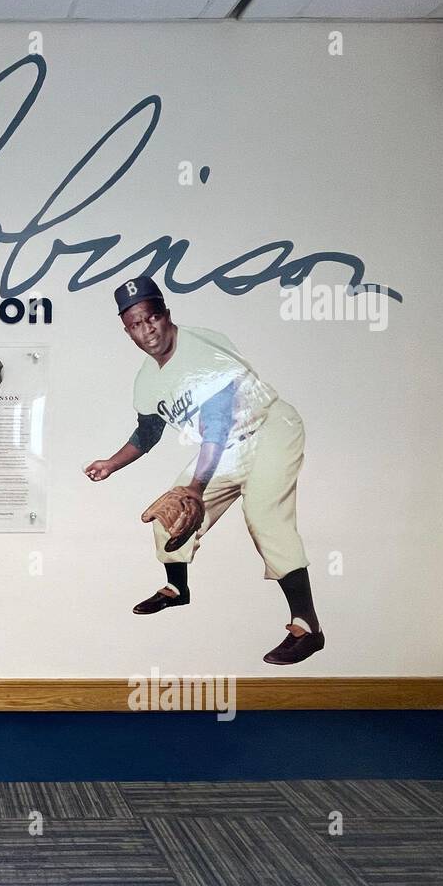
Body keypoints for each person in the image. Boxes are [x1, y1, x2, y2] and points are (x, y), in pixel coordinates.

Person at [84, 276, 323, 665]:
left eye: (152, 318)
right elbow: (148, 431)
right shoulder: (147, 379)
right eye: (135, 325)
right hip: (224, 448)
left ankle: (307, 627)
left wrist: (197, 486)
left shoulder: (201, 347)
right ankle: (176, 590)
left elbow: (217, 421)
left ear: (166, 315)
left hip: (268, 429)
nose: (146, 331)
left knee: (264, 517)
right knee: (170, 513)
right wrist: (112, 463)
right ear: (126, 330)